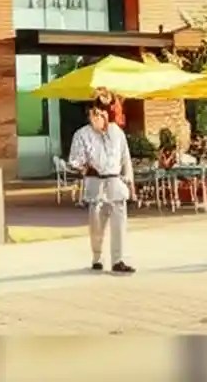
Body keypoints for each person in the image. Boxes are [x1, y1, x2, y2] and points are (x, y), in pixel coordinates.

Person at [68, 88, 135, 274]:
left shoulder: (117, 133)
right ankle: (97, 257)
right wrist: (84, 166)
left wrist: (129, 181)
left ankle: (118, 259)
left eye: (101, 112)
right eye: (93, 112)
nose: (97, 116)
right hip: (96, 184)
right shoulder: (82, 135)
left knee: (119, 225)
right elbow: (75, 160)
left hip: (115, 182)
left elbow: (125, 158)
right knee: (97, 226)